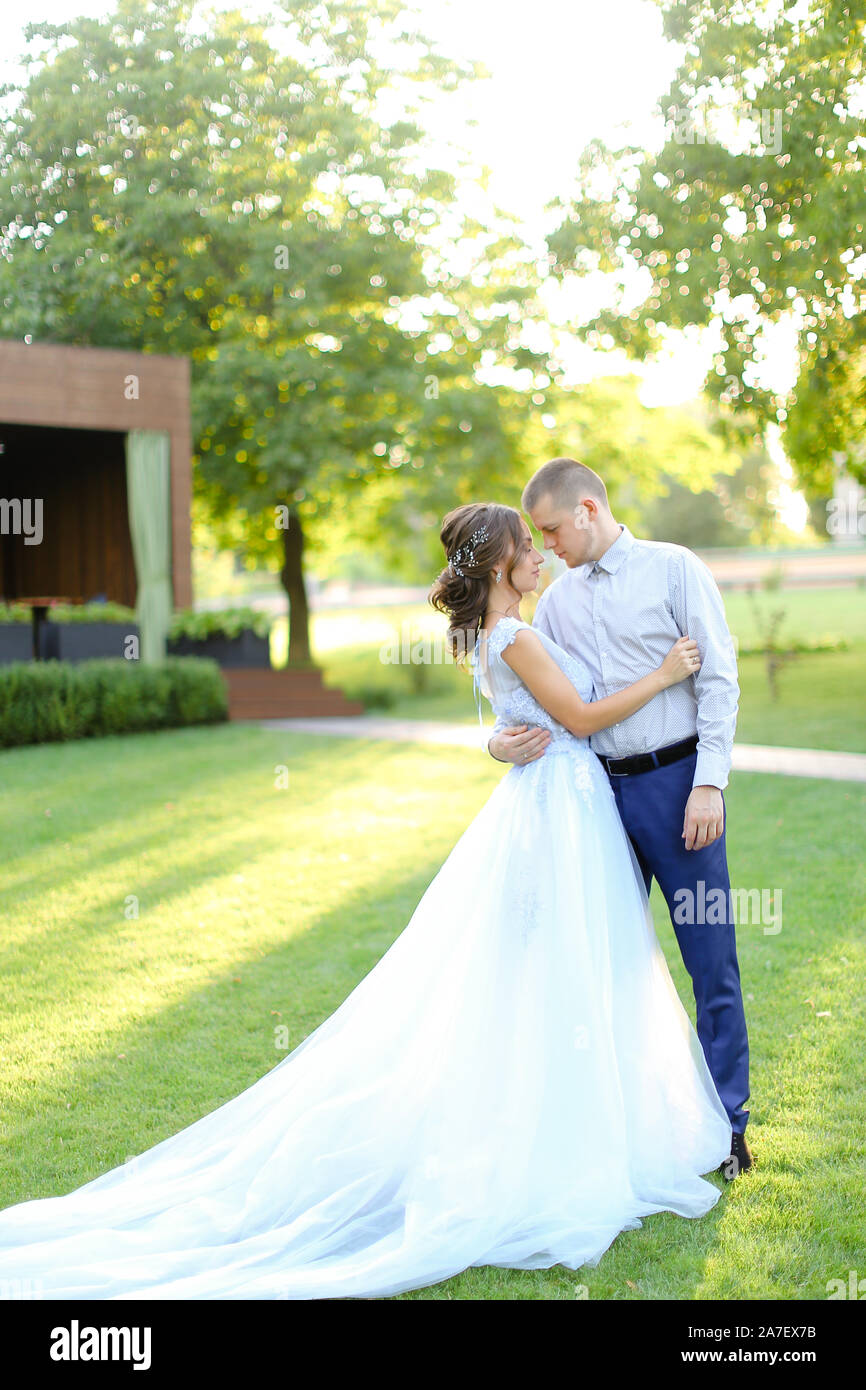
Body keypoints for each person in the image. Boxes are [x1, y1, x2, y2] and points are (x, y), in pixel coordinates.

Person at [0, 501, 732, 1303]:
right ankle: (553, 1142)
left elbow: (538, 717)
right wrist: (665, 675)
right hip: (558, 812)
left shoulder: (517, 628)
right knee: (555, 971)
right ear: (501, 566)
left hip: (565, 805)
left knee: (567, 971)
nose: (542, 555)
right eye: (530, 547)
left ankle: (589, 1124)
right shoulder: (515, 635)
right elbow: (581, 716)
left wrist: (503, 739)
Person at [486, 457, 752, 1180]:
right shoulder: (559, 605)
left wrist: (710, 783)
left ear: (588, 509)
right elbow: (543, 698)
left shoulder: (674, 569)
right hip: (596, 799)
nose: (545, 549)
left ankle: (730, 1128)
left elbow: (719, 677)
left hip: (677, 790)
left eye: (550, 530)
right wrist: (496, 741)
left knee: (711, 963)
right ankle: (626, 1130)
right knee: (602, 964)